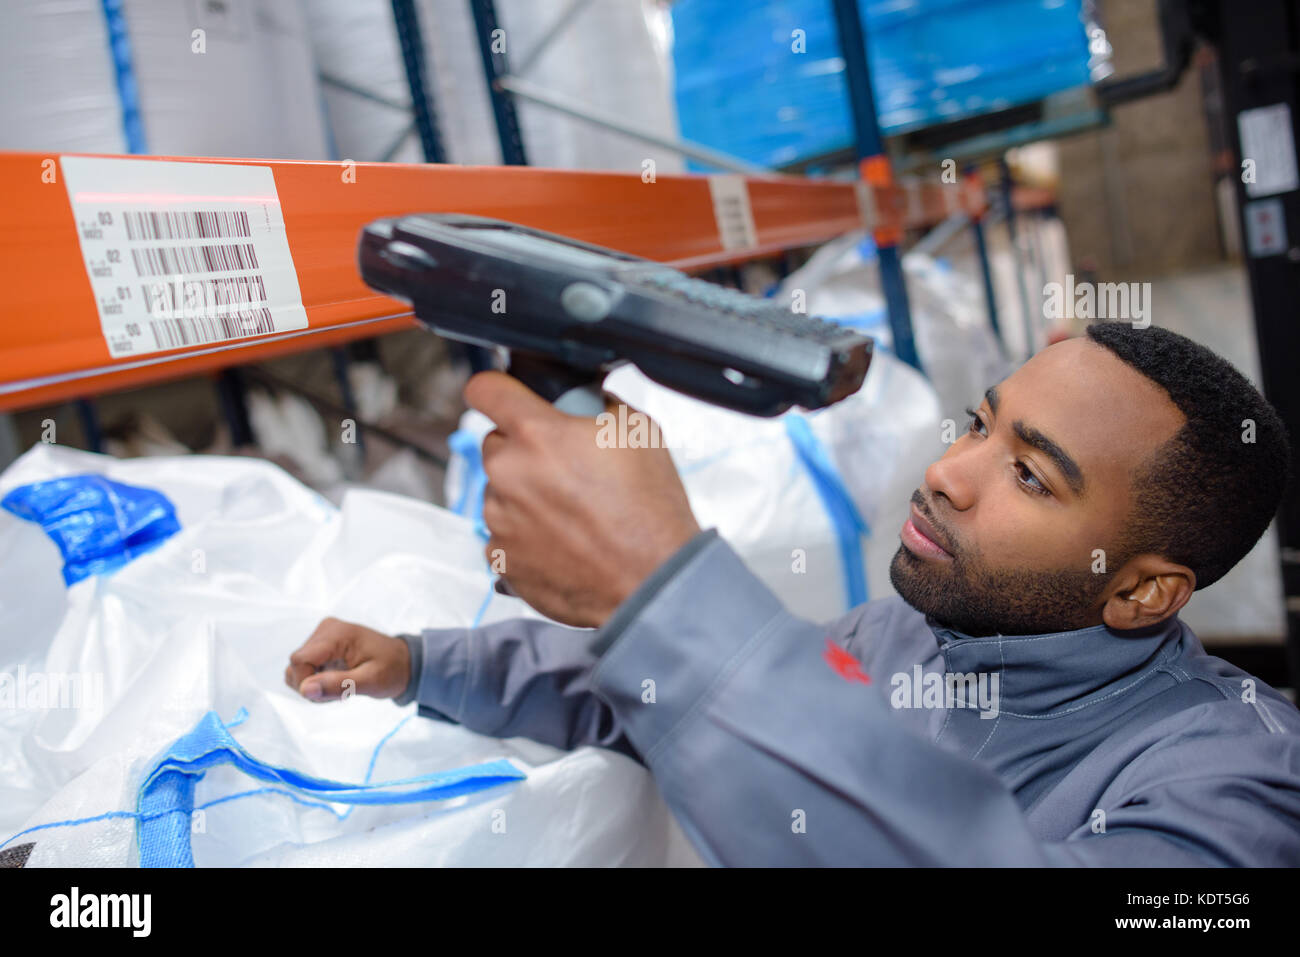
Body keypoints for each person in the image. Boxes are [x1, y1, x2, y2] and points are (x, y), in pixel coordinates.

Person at [285, 322, 1300, 865]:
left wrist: (662, 583)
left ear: (1141, 592)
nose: (950, 472)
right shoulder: (905, 636)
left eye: (1031, 476)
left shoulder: (1245, 788)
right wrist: (429, 664)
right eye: (976, 424)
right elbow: (662, 697)